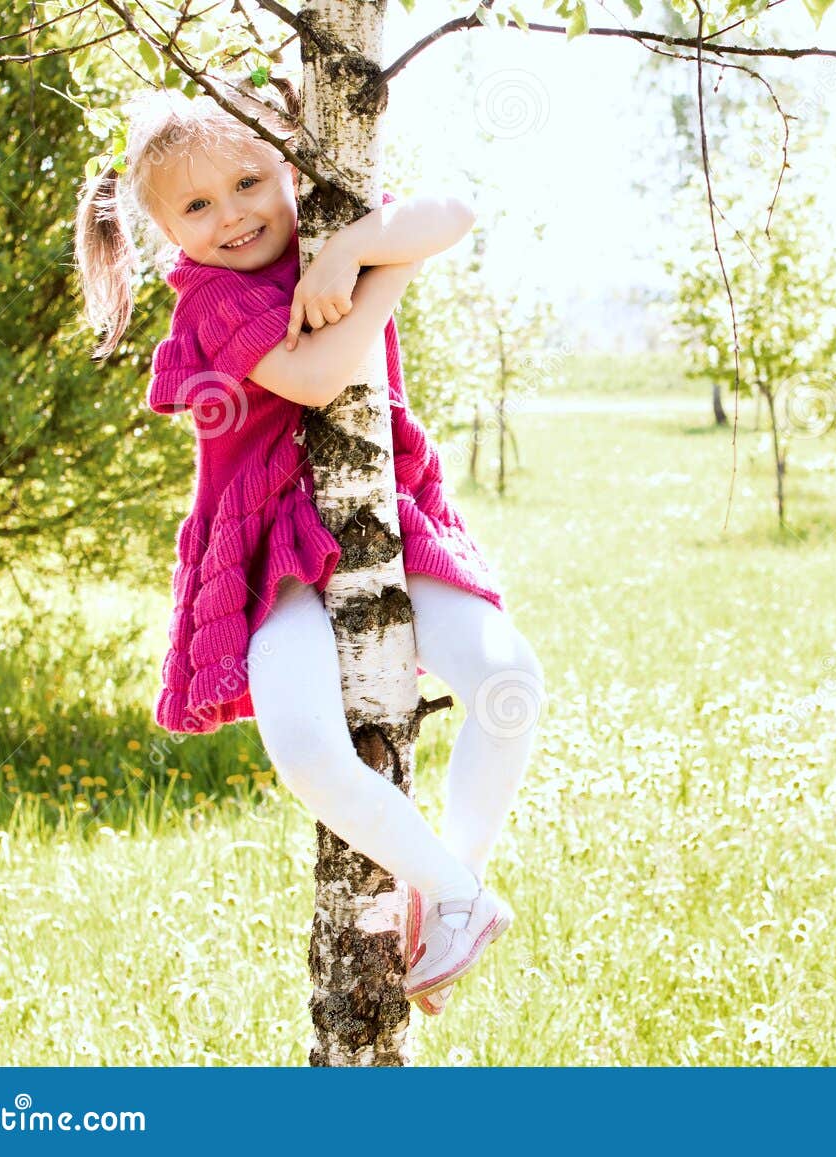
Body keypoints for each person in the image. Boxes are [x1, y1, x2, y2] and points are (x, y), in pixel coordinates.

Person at [72, 75, 544, 1016]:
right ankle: (449, 887)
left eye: (249, 182)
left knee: (509, 685)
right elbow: (320, 379)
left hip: (384, 512)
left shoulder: (335, 230)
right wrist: (390, 273)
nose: (234, 216)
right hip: (269, 546)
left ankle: (452, 887)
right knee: (305, 747)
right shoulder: (208, 300)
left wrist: (360, 248)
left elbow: (456, 207)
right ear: (168, 230)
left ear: (289, 165)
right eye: (197, 206)